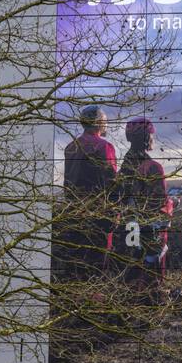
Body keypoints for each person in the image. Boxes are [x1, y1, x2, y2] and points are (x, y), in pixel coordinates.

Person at [59, 105, 118, 278]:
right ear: (98, 122)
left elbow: (68, 181)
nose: (106, 125)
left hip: (74, 212)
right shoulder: (104, 147)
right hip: (98, 214)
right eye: (105, 121)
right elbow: (111, 182)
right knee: (98, 264)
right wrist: (114, 212)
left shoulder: (71, 146)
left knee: (78, 262)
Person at [114, 117, 173, 280]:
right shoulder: (154, 167)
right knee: (150, 278)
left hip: (127, 230)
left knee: (130, 276)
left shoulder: (123, 170)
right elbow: (159, 205)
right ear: (147, 138)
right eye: (152, 135)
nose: (153, 138)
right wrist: (171, 203)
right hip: (148, 233)